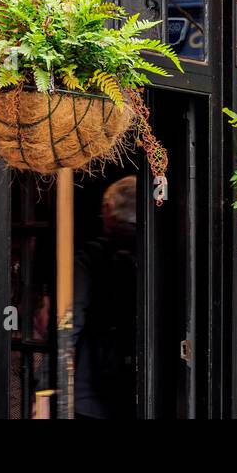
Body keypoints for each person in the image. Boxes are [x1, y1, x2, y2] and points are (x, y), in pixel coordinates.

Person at [73, 176, 139, 419]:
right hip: (142, 390)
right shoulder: (159, 259)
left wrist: (45, 386)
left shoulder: (90, 259)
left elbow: (69, 323)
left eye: (104, 207)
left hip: (90, 394)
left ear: (110, 210)